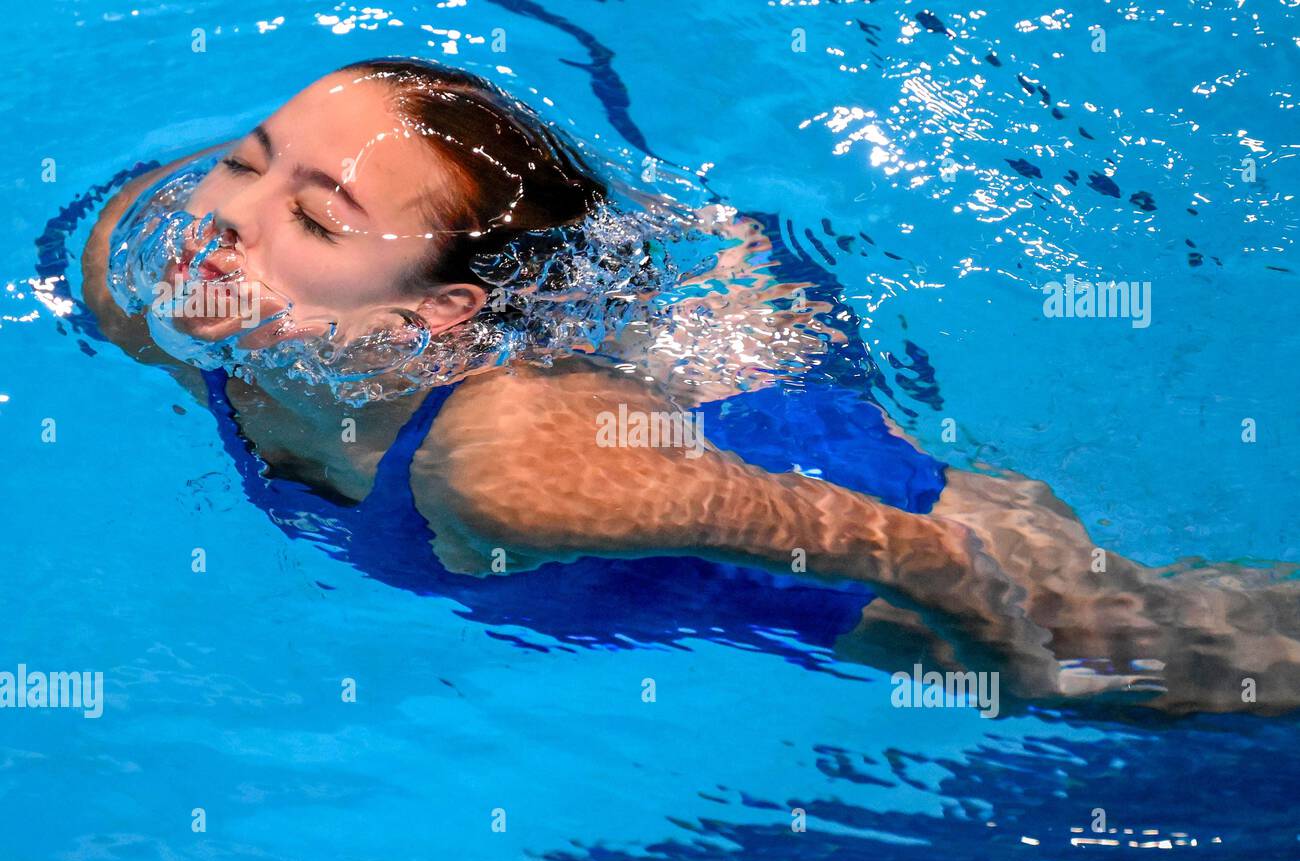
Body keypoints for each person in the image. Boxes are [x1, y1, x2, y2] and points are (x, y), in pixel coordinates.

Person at [80, 58, 1300, 715]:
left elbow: (896, 544)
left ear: (435, 314)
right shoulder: (156, 296)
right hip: (658, 434)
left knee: (1161, 670)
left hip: (859, 516)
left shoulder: (503, 465)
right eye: (244, 160)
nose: (225, 221)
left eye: (311, 215)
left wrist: (1015, 655)